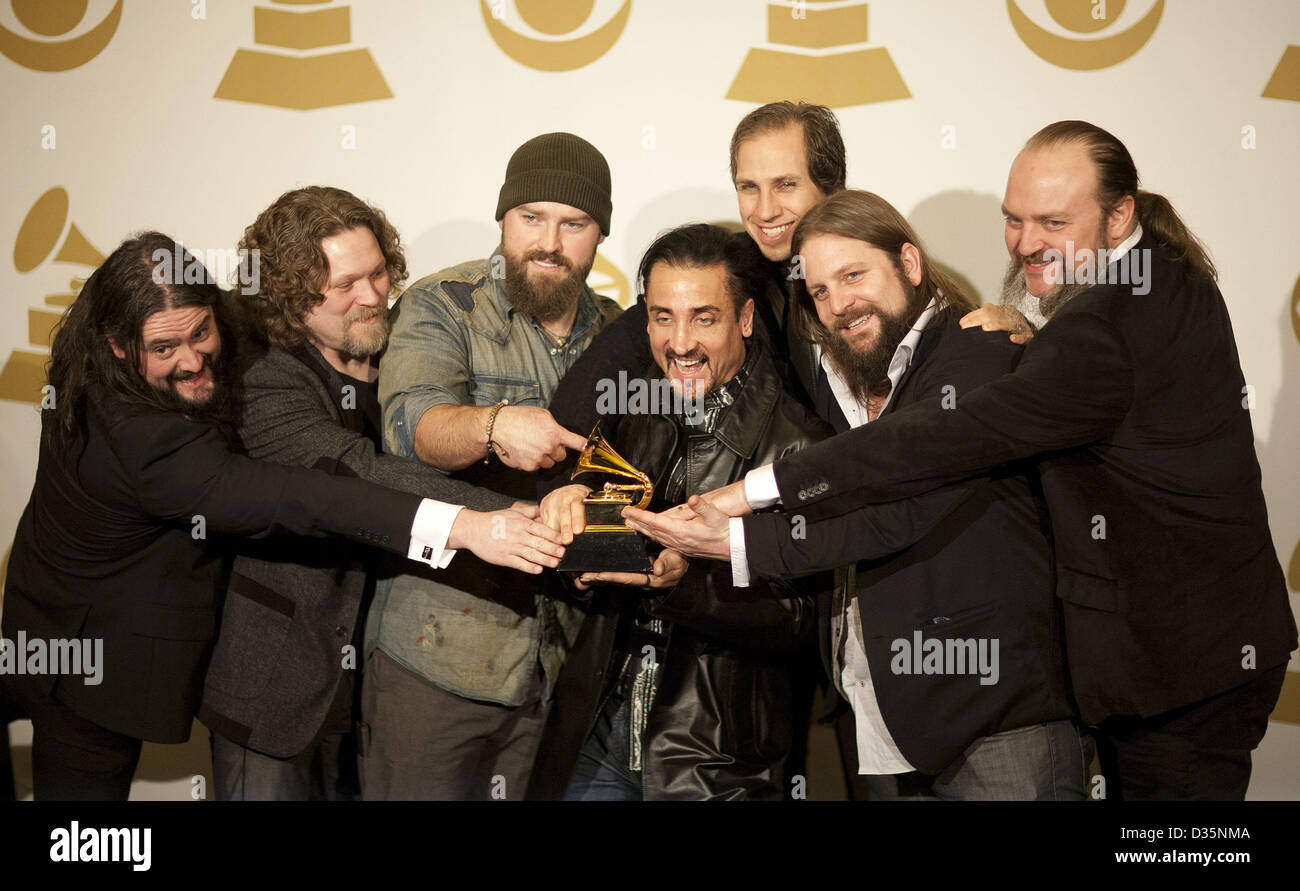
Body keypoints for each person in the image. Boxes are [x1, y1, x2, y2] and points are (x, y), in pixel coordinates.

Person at [639, 121, 1299, 800]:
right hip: (1126, 676)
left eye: (1052, 220)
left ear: (1120, 212)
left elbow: (922, 460)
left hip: (1164, 676)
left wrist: (748, 503)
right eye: (1014, 220)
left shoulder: (1089, 328)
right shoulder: (1141, 284)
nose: (1026, 240)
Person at [0, 232, 554, 800]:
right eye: (164, 349)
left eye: (200, 334)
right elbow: (305, 497)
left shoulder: (176, 341)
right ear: (118, 346)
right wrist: (466, 525)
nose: (192, 360)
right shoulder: (141, 439)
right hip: (87, 663)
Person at [631, 194, 1087, 799]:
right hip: (878, 729)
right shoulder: (826, 381)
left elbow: (897, 509)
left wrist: (735, 526)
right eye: (820, 291)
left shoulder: (978, 350)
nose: (839, 304)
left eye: (854, 276)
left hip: (996, 721)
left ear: (910, 263)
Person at [199, 187, 563, 801]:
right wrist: (498, 520)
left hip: (380, 689)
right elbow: (354, 471)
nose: (371, 296)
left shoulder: (407, 346)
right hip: (278, 686)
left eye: (378, 273)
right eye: (343, 285)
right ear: (290, 295)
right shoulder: (263, 376)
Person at [364, 133, 621, 800]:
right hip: (438, 658)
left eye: (574, 223)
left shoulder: (618, 332)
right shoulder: (442, 303)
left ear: (600, 234)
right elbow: (411, 427)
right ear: (503, 218)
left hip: (555, 670)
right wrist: (494, 424)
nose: (549, 240)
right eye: (531, 217)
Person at [529, 223, 825, 800]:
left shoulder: (799, 445)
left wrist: (683, 582)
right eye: (663, 316)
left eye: (703, 318)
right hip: (595, 733)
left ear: (744, 319)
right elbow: (581, 578)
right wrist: (567, 524)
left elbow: (806, 622)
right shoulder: (629, 407)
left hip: (714, 760)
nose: (680, 341)